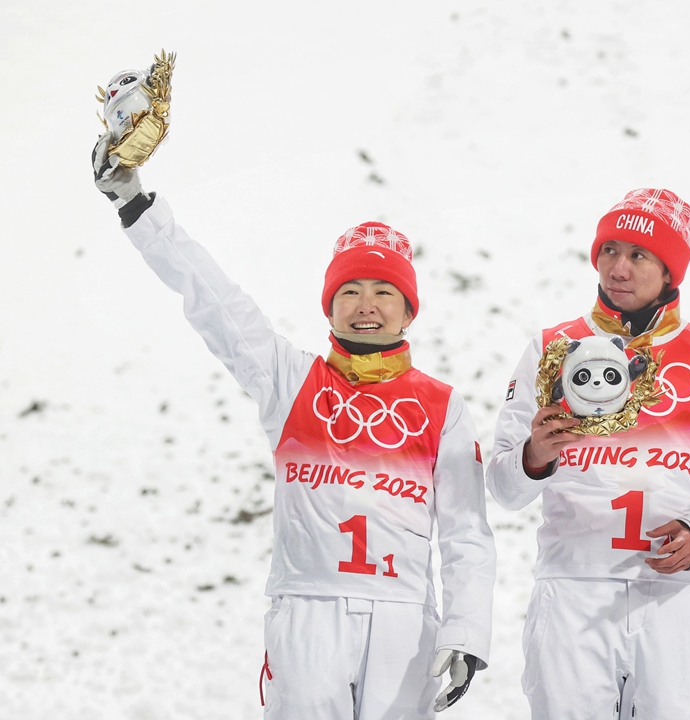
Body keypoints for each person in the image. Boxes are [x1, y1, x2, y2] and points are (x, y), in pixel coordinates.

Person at [92, 132, 495, 720]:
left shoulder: (441, 404)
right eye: (349, 290)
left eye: (385, 292)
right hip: (309, 610)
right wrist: (134, 203)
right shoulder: (290, 380)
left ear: (409, 310)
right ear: (328, 307)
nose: (366, 304)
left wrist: (467, 630)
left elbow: (466, 530)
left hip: (405, 620)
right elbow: (215, 301)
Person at [487, 188, 690, 719]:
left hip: (670, 595)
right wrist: (533, 455)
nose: (619, 267)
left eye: (638, 254)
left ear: (669, 271)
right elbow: (501, 486)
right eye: (609, 249)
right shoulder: (551, 349)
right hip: (571, 590)